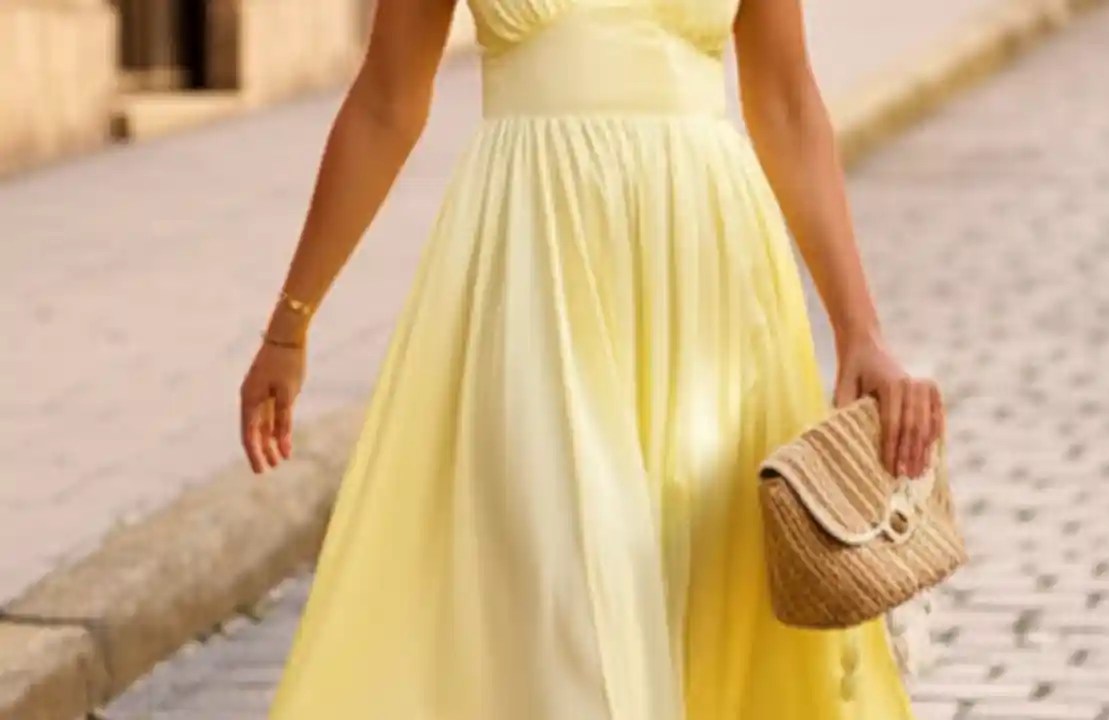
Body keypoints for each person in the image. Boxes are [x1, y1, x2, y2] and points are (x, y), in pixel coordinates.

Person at [238, 0, 945, 717]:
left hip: (708, 281)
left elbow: (787, 99)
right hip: (533, 267)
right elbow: (386, 102)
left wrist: (860, 330)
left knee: (703, 602)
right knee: (567, 598)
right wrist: (290, 326)